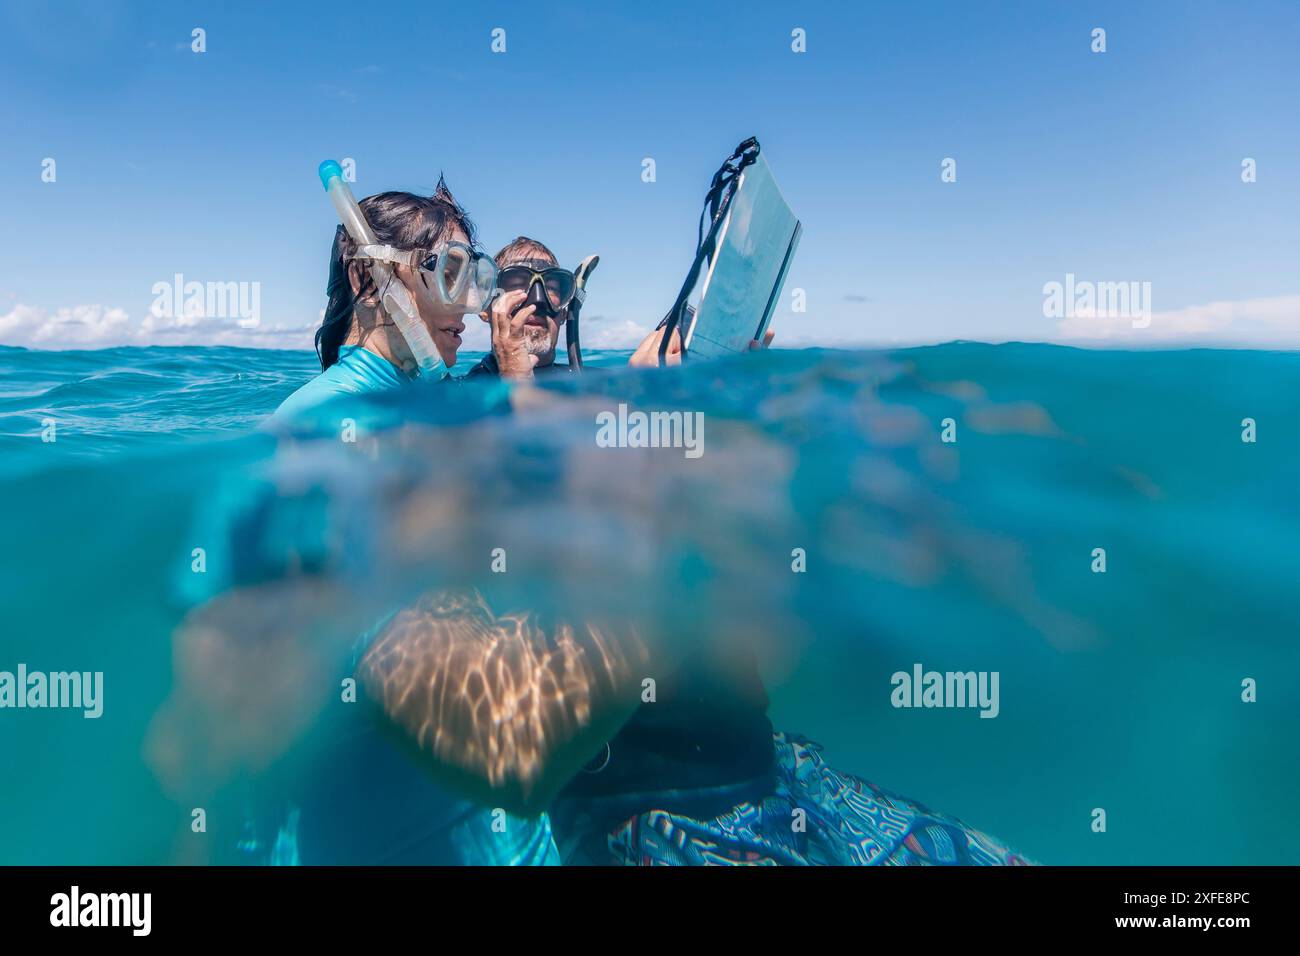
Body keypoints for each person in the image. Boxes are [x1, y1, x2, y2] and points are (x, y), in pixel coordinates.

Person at [355, 235, 1032, 867]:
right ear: (484, 302)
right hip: (651, 802)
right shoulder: (465, 413)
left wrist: (719, 405)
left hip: (762, 758)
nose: (537, 296)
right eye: (516, 282)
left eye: (553, 284)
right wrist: (535, 390)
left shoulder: (602, 394)